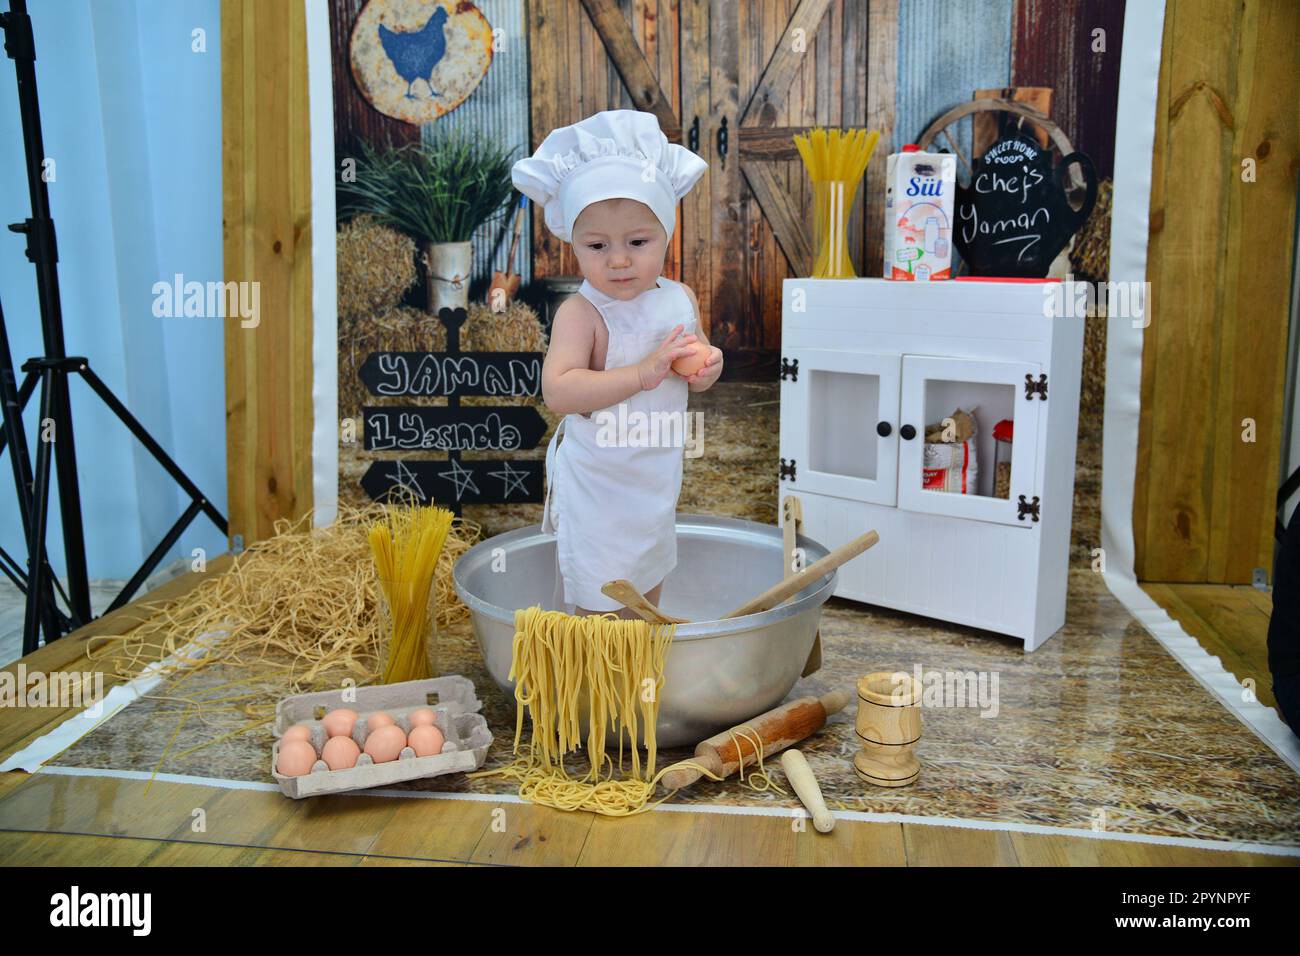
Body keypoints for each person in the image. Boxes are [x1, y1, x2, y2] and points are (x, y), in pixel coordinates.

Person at [512, 110, 723, 616]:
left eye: (637, 242)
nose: (619, 260)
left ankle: (641, 671)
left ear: (666, 233)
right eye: (597, 246)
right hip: (599, 489)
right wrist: (641, 374)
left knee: (649, 578)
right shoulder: (581, 314)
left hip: (654, 481)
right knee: (602, 591)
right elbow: (559, 392)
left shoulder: (678, 300)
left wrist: (706, 368)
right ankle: (597, 677)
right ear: (574, 246)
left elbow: (697, 374)